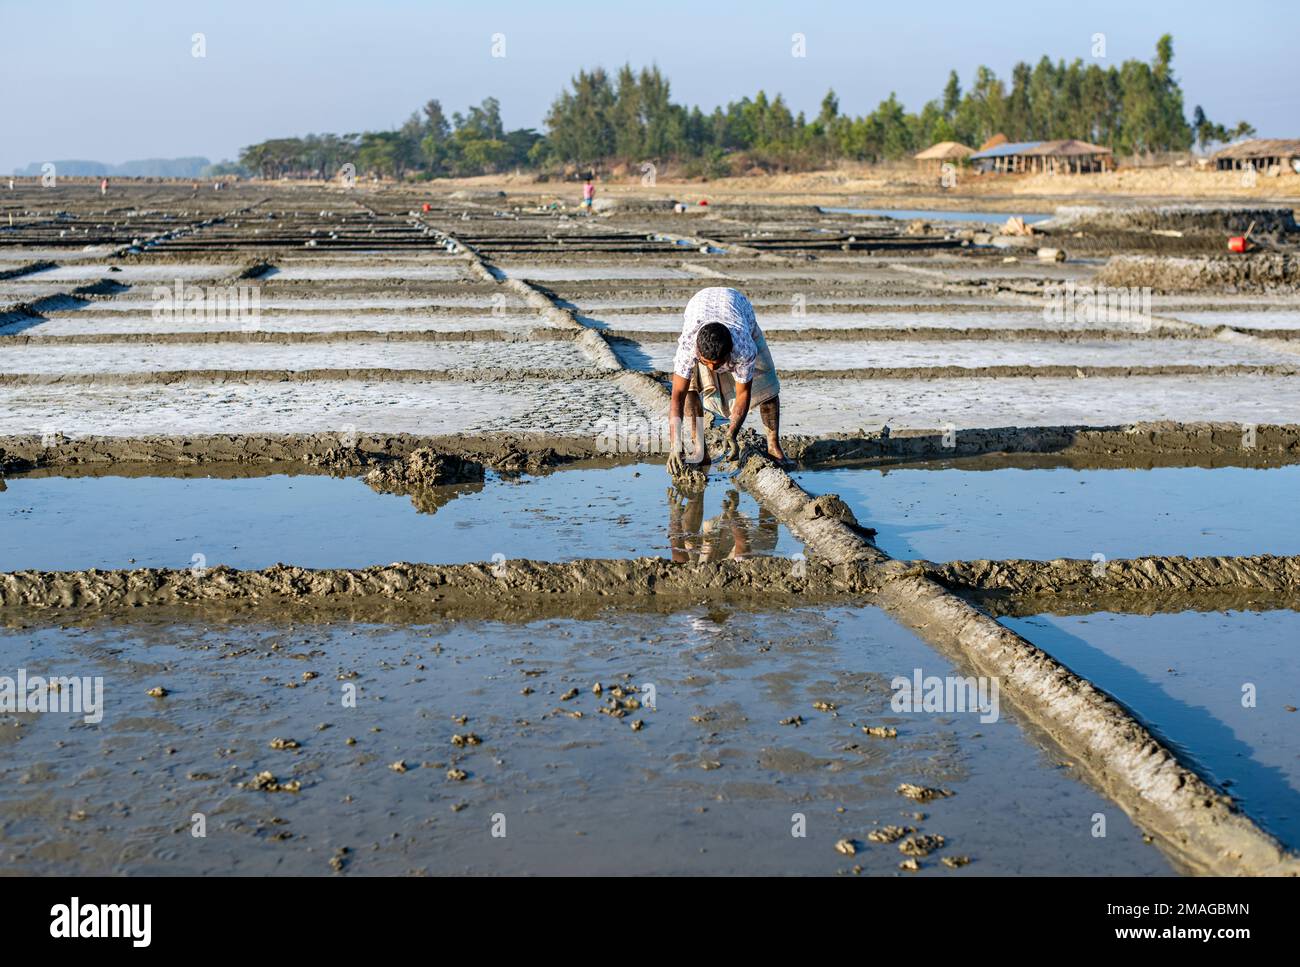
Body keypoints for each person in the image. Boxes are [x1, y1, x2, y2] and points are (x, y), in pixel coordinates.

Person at [666, 286, 785, 475]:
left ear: (730, 352)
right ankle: (700, 450)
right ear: (698, 352)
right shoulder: (688, 348)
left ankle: (774, 446)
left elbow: (743, 393)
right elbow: (676, 398)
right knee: (690, 389)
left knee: (767, 386)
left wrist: (732, 432)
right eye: (708, 364)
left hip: (737, 307)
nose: (713, 369)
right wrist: (675, 444)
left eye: (718, 364)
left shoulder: (744, 347)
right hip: (699, 305)